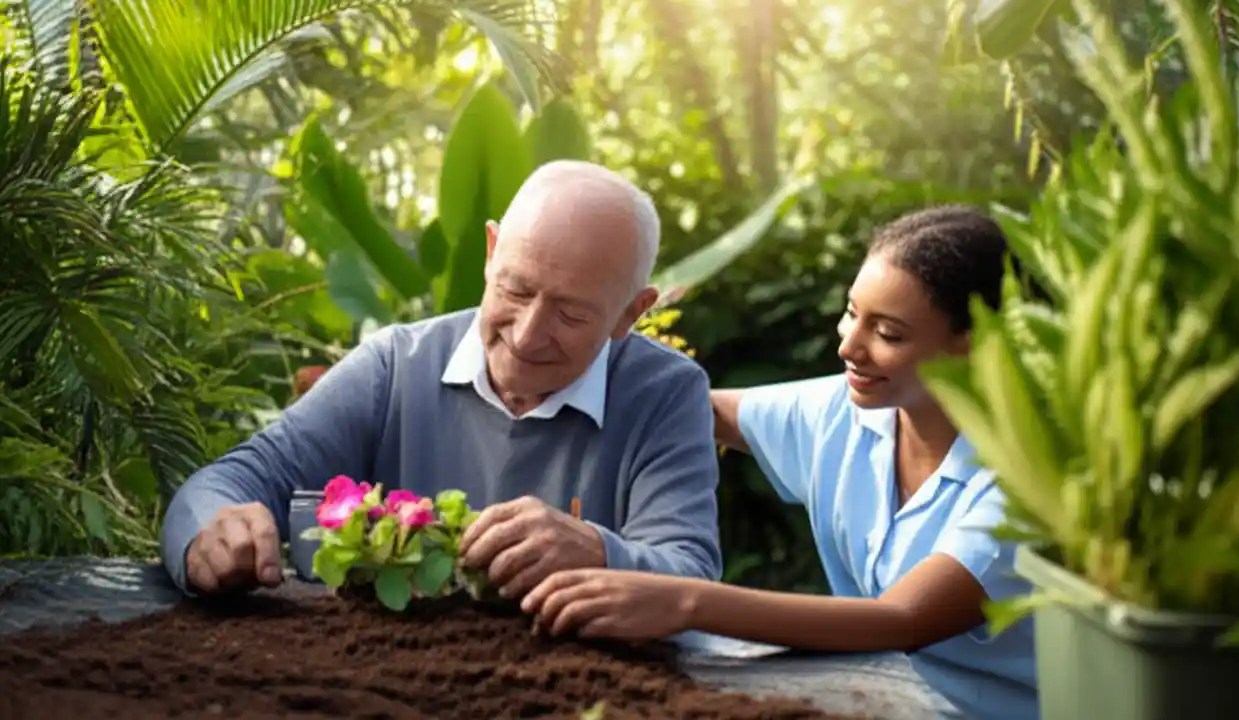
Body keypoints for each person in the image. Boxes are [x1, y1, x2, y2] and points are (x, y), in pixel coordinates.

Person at [520, 206, 1039, 720]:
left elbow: (902, 619)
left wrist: (681, 600)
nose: (848, 346)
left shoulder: (1022, 479)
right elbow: (690, 408)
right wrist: (566, 352)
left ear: (970, 346)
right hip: (870, 687)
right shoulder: (847, 414)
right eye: (852, 313)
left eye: (888, 334)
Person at [161, 160, 723, 599]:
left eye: (571, 315)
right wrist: (210, 532)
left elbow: (690, 575)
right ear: (491, 252)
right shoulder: (395, 366)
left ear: (632, 311)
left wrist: (600, 552)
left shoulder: (664, 395)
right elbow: (227, 484)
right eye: (515, 290)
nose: (527, 336)